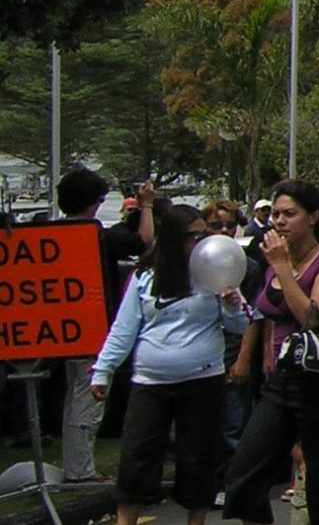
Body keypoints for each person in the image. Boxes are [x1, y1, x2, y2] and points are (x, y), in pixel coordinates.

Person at [91, 199, 245, 525]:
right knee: (137, 457)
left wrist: (231, 304)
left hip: (202, 380)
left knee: (197, 459)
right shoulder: (145, 276)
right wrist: (103, 370)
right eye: (193, 236)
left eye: (204, 235)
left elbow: (238, 325)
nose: (200, 243)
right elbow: (124, 328)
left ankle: (196, 520)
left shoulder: (213, 273)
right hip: (151, 381)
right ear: (175, 238)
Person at [222, 180, 319, 525]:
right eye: (276, 214)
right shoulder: (270, 266)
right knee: (244, 474)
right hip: (282, 381)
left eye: (290, 214)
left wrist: (283, 268)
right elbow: (266, 315)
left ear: (312, 217)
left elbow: (312, 317)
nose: (279, 222)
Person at [53, 168, 150, 484]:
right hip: (92, 327)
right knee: (88, 398)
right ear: (93, 201)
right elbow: (143, 242)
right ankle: (80, 471)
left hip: (63, 328)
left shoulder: (53, 235)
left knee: (75, 395)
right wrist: (146, 206)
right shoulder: (98, 236)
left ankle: (75, 465)